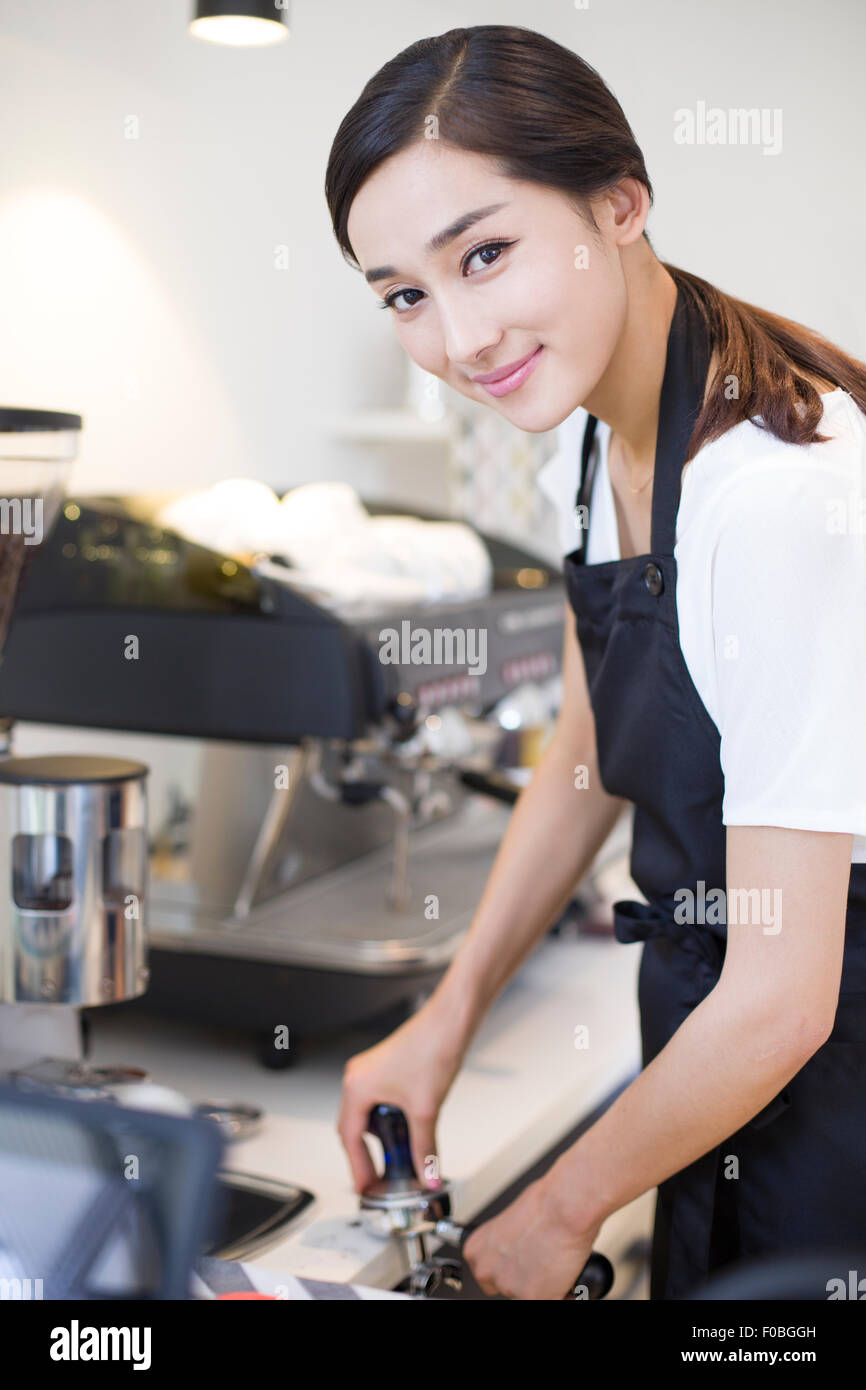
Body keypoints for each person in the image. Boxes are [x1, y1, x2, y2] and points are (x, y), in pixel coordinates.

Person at [324, 24, 866, 1300]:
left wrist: (556, 1210)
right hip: (708, 1035)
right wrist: (441, 1021)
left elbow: (786, 999)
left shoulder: (776, 496)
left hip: (827, 1063)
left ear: (618, 203)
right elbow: (583, 754)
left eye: (486, 253)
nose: (457, 337)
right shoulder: (595, 429)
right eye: (404, 292)